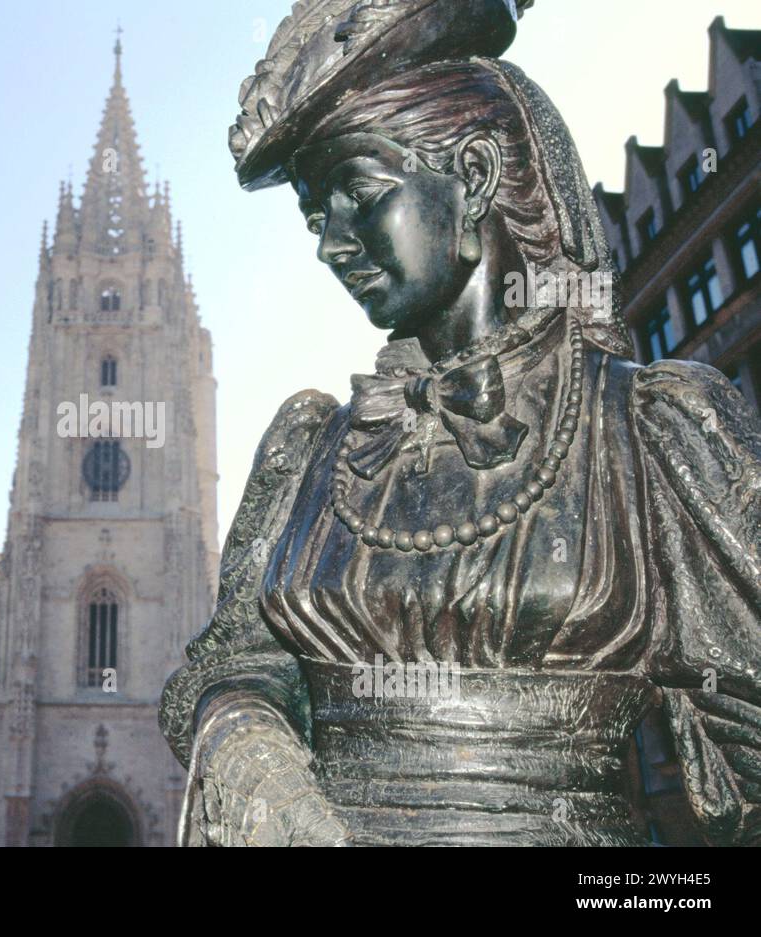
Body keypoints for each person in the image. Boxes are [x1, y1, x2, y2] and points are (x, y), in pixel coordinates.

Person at [160, 0, 761, 846]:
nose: (329, 245)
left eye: (355, 195)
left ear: (473, 172)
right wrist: (244, 743)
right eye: (313, 217)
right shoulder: (310, 449)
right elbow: (233, 662)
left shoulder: (647, 428)